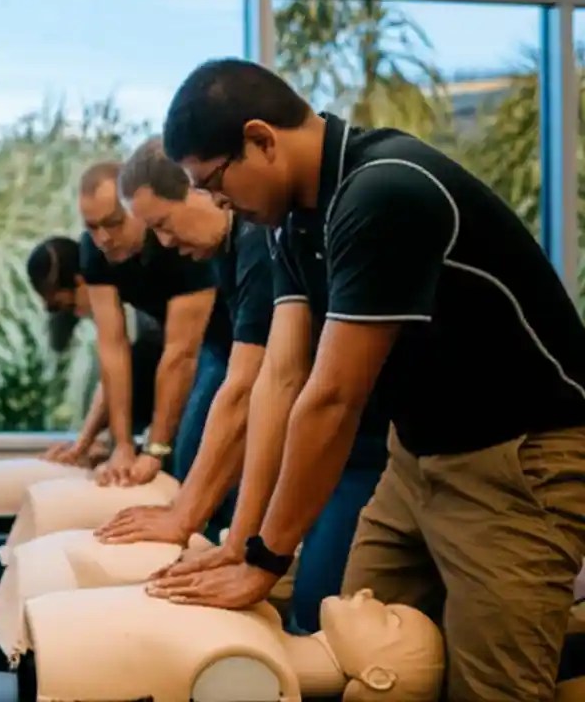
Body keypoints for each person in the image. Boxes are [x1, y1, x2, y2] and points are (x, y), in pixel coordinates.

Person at [151, 58, 585, 700]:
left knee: (493, 688)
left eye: (214, 182)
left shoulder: (386, 191)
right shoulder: (289, 220)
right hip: (416, 458)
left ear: (262, 140)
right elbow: (282, 380)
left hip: (518, 464)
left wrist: (268, 561)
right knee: (363, 657)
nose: (217, 202)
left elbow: (332, 399)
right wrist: (244, 542)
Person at [97, 136, 384, 635]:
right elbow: (260, 385)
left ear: (201, 190)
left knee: (320, 607)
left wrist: (207, 527)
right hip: (322, 433)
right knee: (305, 592)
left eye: (163, 225)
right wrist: (231, 537)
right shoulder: (229, 248)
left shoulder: (258, 242)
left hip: (366, 439)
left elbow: (252, 388)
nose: (164, 243)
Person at [61, 162, 235, 529]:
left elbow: (182, 353)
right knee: (154, 451)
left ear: (136, 210)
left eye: (113, 223)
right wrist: (121, 445)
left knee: (191, 450)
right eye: (93, 227)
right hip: (176, 341)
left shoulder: (175, 240)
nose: (104, 238)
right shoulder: (94, 251)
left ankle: (221, 538)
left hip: (225, 337)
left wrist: (155, 448)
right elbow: (112, 348)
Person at [26, 237, 163, 469]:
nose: (75, 315)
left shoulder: (129, 309)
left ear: (80, 282)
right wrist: (86, 444)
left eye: (64, 305)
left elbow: (116, 379)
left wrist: (83, 444)